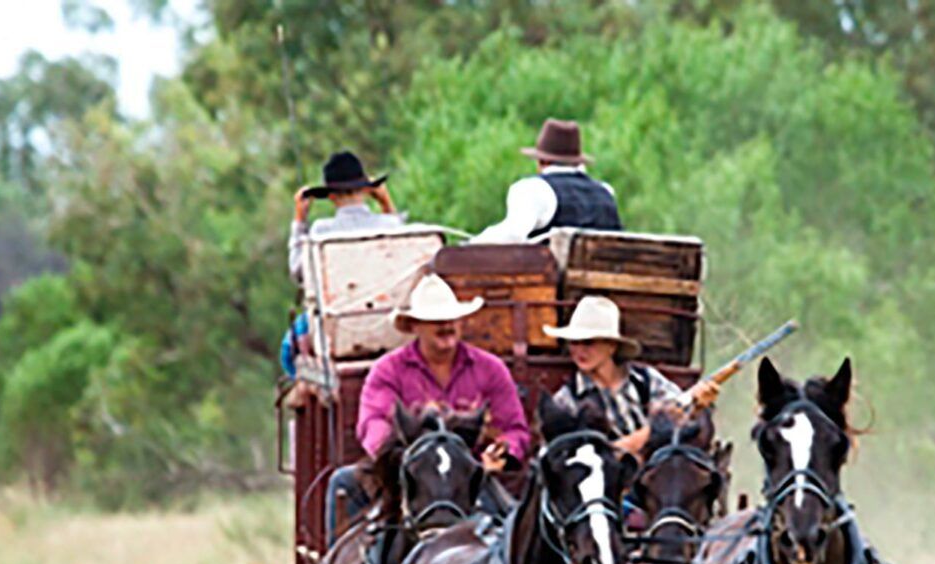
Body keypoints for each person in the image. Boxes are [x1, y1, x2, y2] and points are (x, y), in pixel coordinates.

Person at [325, 274, 530, 540]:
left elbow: (514, 429)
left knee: (515, 523)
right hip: (407, 474)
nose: (446, 326)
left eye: (451, 319)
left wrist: (500, 453)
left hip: (471, 474)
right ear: (415, 326)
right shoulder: (389, 370)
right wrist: (400, 457)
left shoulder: (490, 369)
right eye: (435, 321)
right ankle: (347, 563)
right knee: (344, 483)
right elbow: (373, 423)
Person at [282, 150, 405, 380]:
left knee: (289, 346)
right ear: (367, 190)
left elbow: (298, 271)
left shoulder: (320, 231)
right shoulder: (390, 225)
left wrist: (299, 222)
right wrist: (386, 204)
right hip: (390, 322)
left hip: (335, 329)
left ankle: (304, 387)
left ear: (331, 196)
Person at [549, 295, 718, 456]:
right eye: (574, 343)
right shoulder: (567, 399)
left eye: (588, 343)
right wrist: (646, 435)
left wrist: (696, 405)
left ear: (611, 346)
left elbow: (678, 411)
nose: (579, 351)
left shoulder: (646, 380)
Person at [471, 118, 621, 244]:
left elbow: (512, 235)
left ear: (542, 161)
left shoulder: (534, 189)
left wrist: (472, 244)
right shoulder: (606, 193)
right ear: (577, 161)